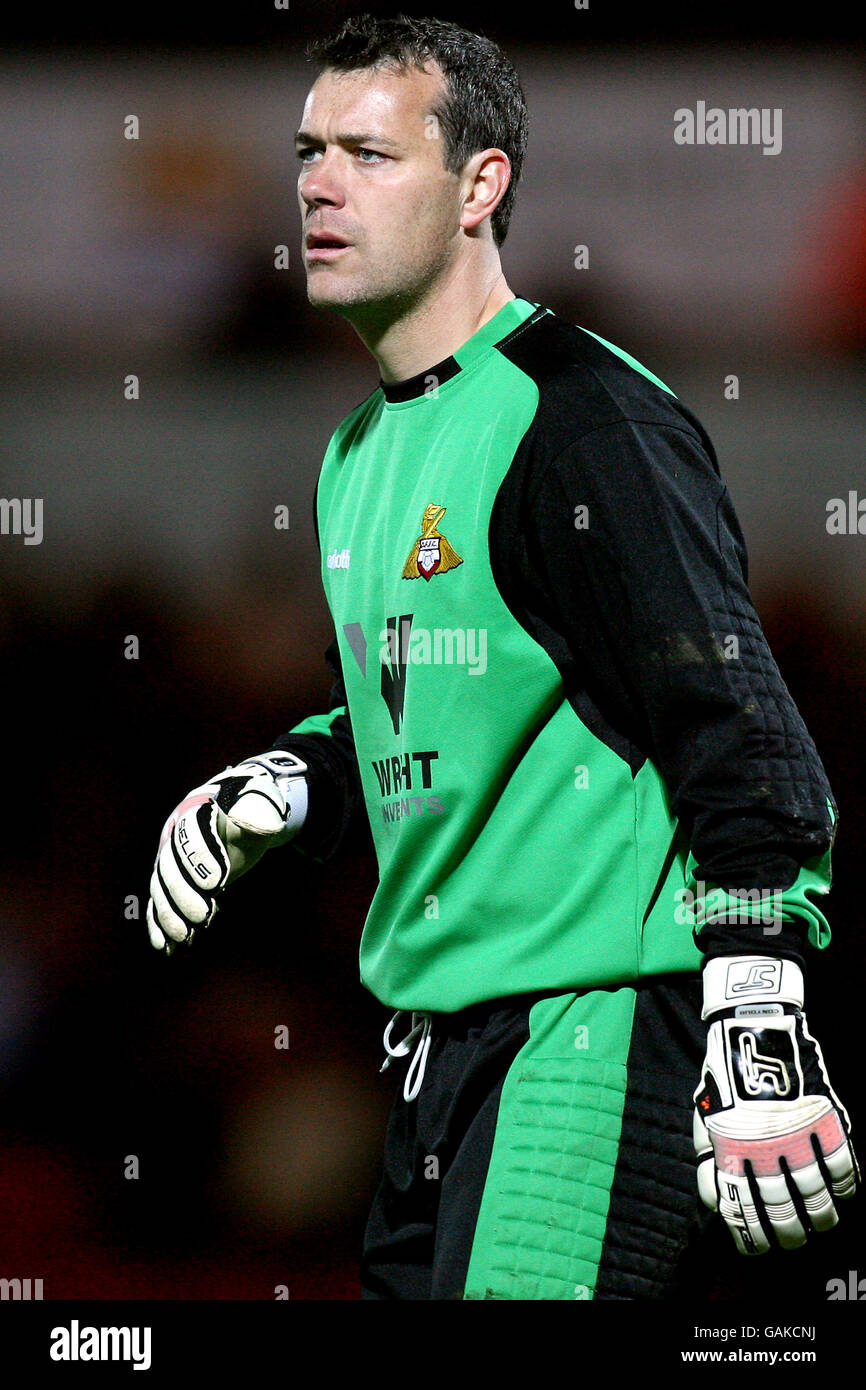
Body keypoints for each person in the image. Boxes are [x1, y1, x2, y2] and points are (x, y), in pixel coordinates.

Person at [145, 14, 858, 1300]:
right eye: (307, 149)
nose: (316, 183)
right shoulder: (355, 452)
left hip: (579, 1044)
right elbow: (416, 713)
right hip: (430, 1071)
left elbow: (740, 721)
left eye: (368, 153)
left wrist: (757, 1011)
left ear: (481, 187)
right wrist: (292, 780)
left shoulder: (581, 417)